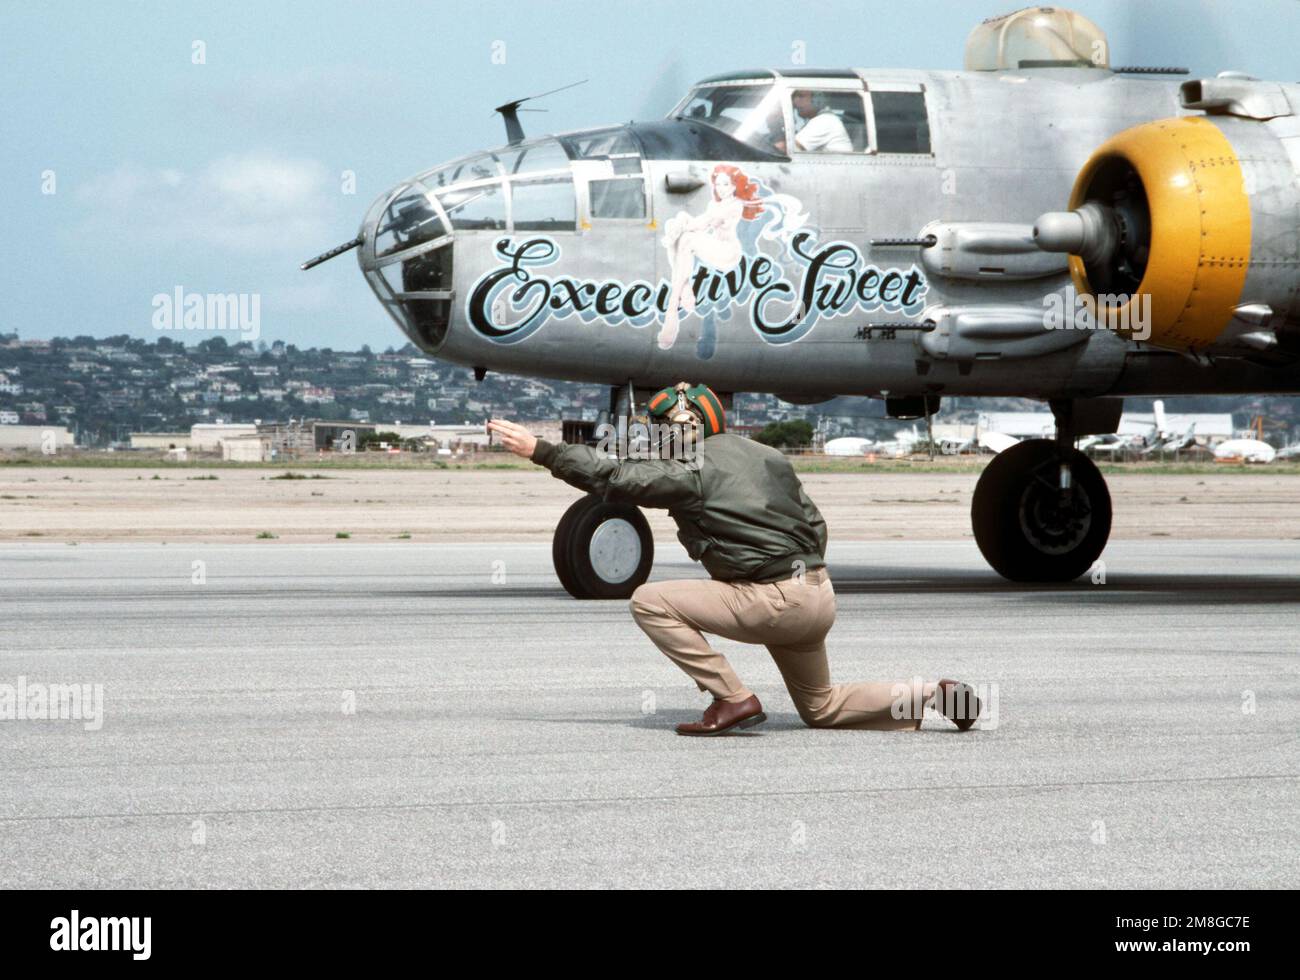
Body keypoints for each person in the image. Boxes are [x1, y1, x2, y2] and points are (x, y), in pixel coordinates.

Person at [487, 383, 980, 736]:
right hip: (816, 596)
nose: (652, 442)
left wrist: (543, 450)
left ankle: (733, 698)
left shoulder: (690, 469)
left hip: (771, 600)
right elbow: (816, 525)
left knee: (650, 600)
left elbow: (617, 478)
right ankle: (936, 695)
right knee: (822, 708)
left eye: (658, 432)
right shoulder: (768, 455)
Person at [657, 165, 764, 351]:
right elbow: (699, 224)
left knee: (685, 236)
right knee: (678, 230)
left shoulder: (734, 205)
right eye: (718, 184)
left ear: (734, 187)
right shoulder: (714, 204)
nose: (721, 188)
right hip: (713, 246)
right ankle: (685, 288)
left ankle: (672, 307)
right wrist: (680, 222)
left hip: (727, 252)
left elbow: (700, 225)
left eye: (726, 184)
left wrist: (682, 221)